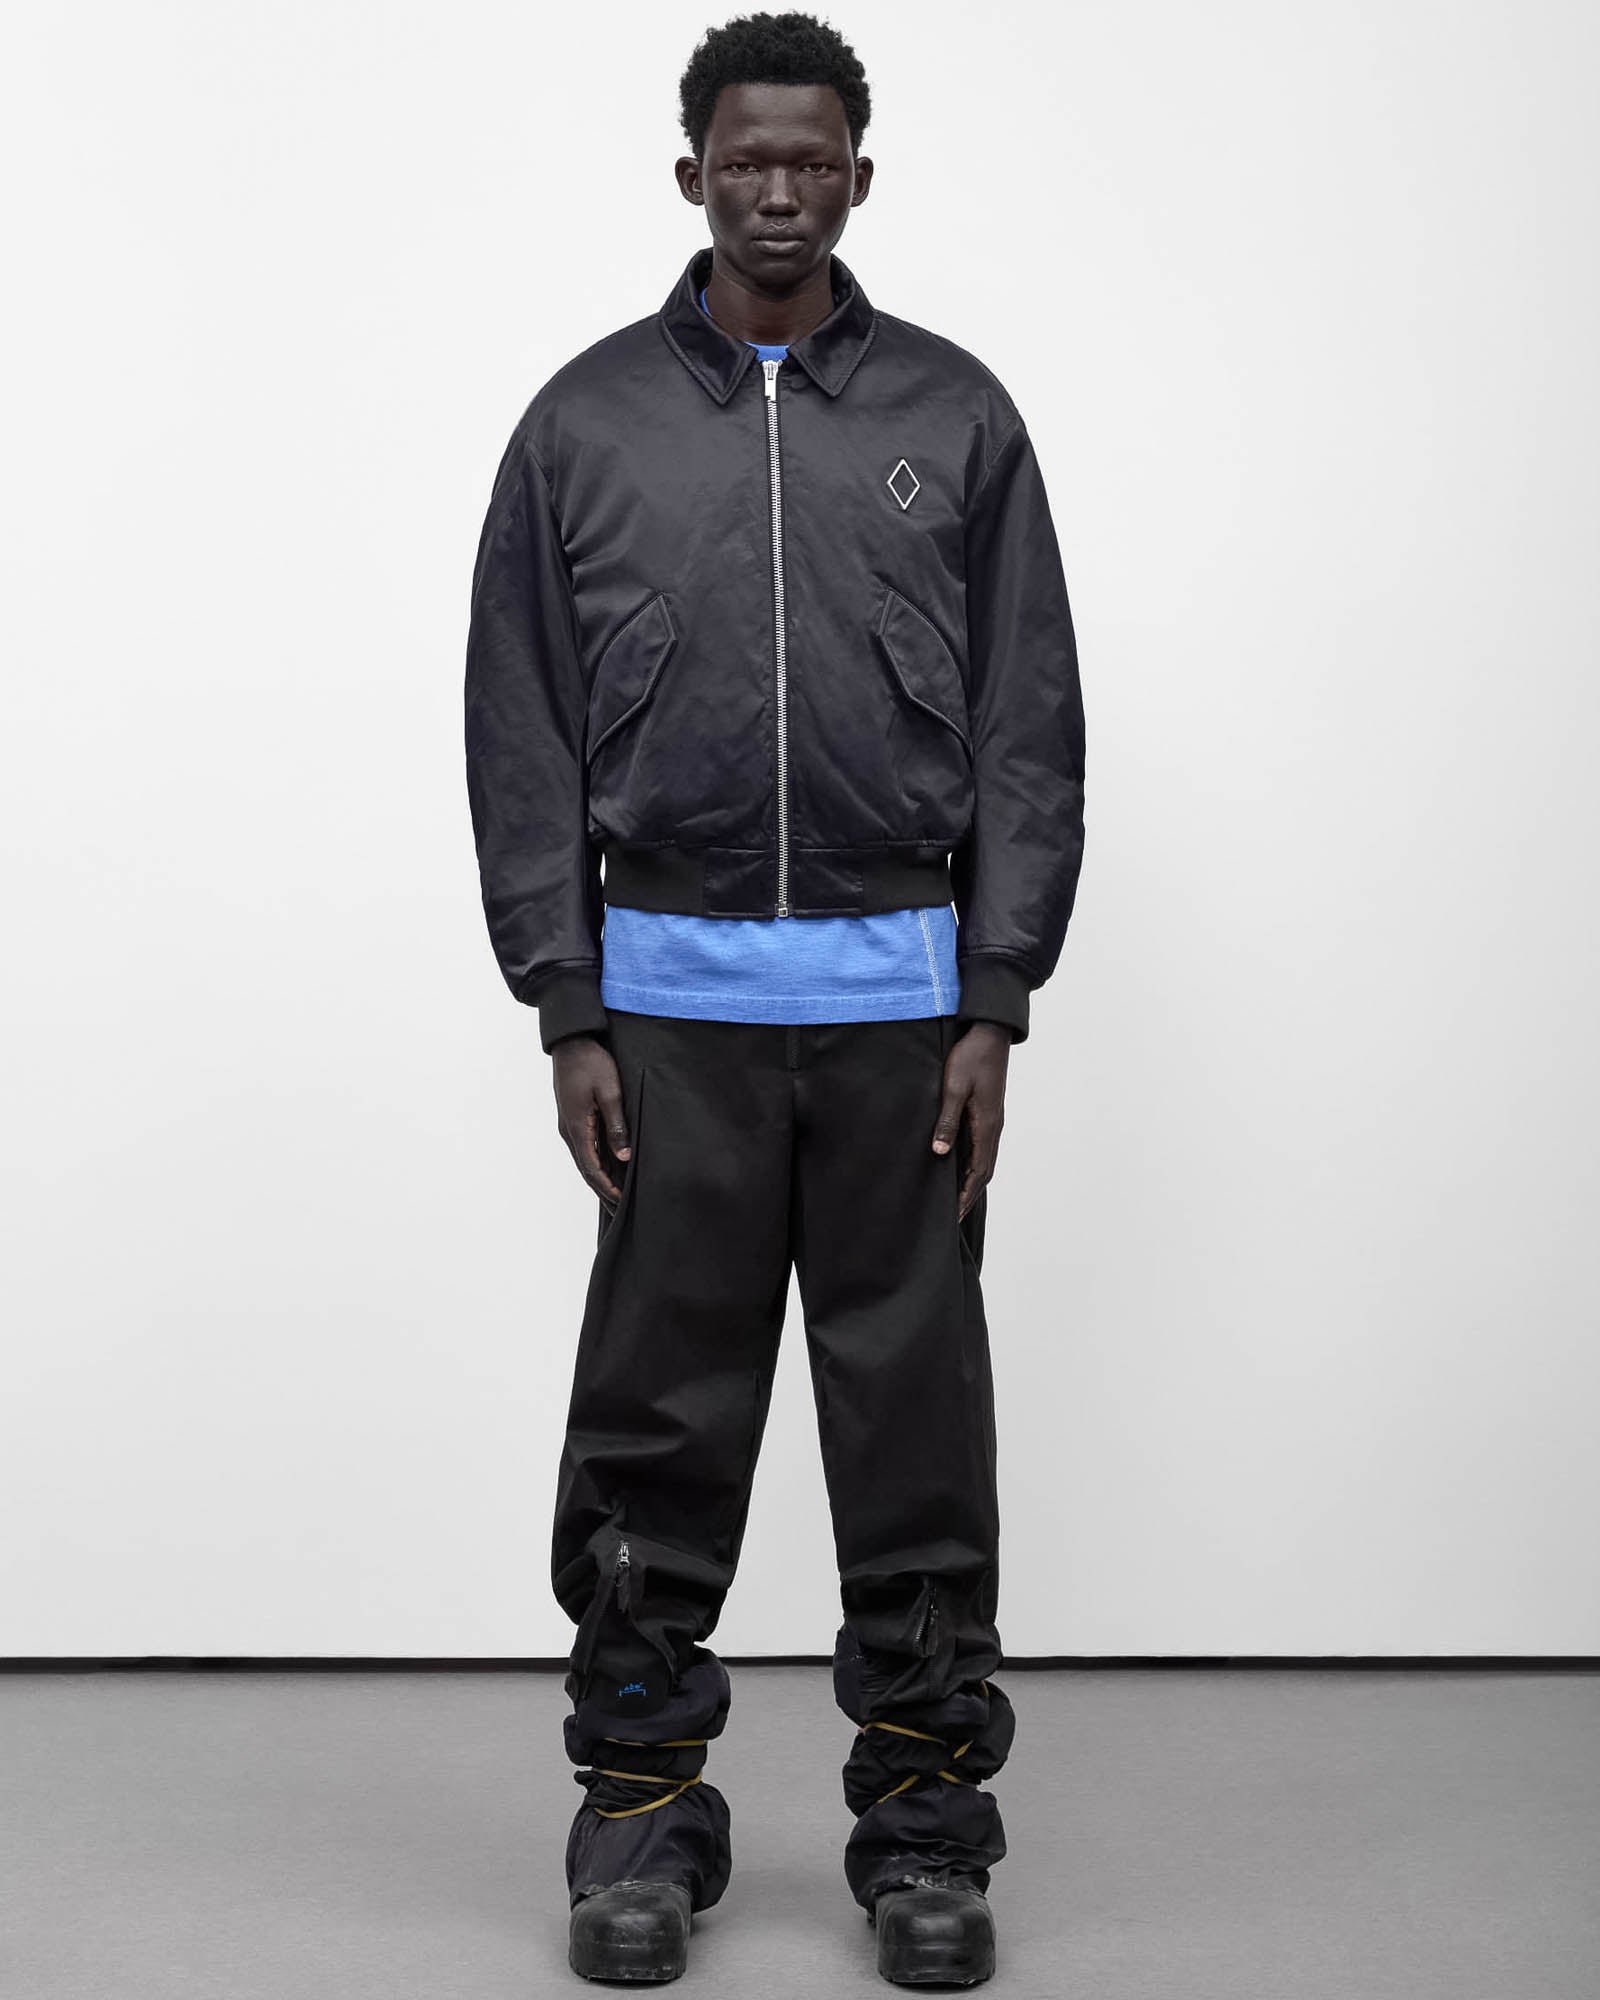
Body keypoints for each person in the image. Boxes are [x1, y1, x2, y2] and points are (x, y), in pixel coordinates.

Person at [463, 11, 1086, 1986]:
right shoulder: (582, 428)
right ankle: (641, 1814)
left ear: (859, 178)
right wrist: (567, 1003)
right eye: (747, 158)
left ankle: (925, 1829)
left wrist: (994, 994)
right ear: (690, 175)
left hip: (906, 1019)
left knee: (913, 1430)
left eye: (814, 159)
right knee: (654, 1427)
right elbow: (519, 734)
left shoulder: (957, 418)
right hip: (669, 1021)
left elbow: (1027, 727)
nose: (779, 189)